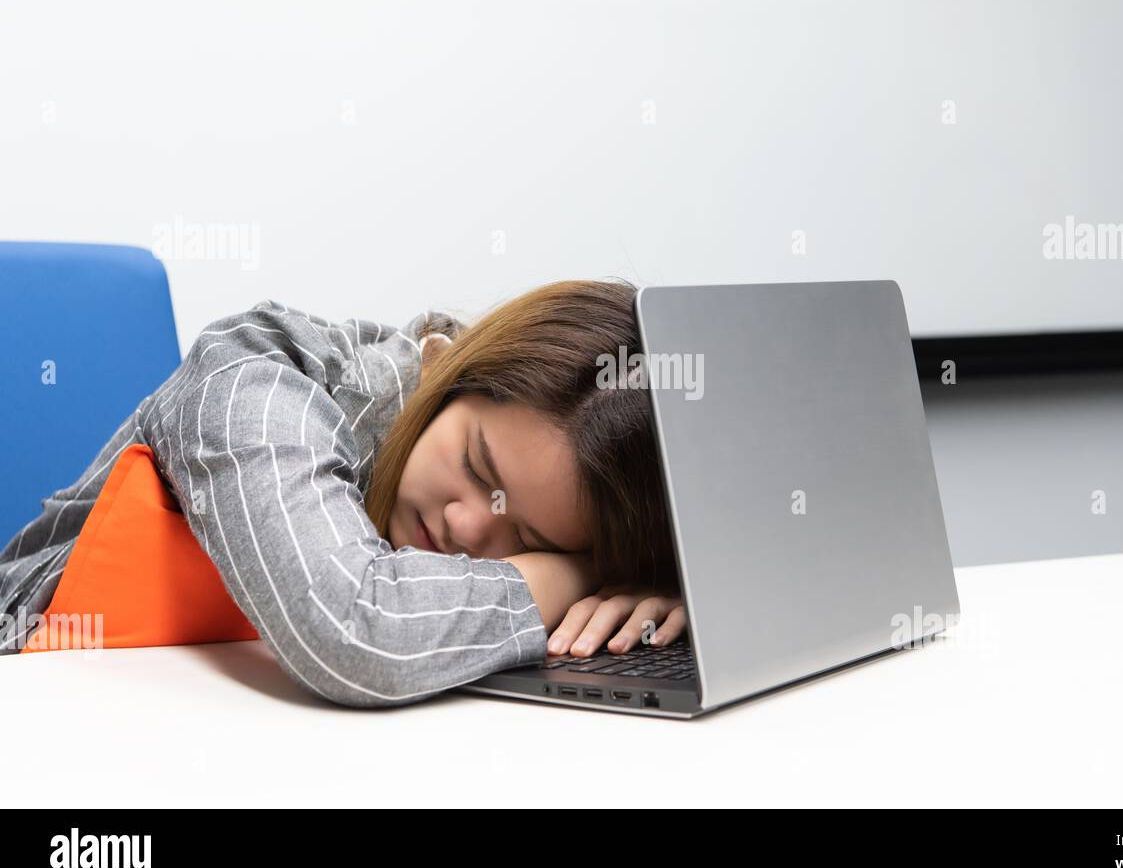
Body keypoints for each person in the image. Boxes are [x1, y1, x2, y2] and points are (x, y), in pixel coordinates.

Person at [0, 279, 686, 707]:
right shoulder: (252, 377)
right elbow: (352, 630)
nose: (468, 526)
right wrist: (576, 574)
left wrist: (648, 588)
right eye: (477, 468)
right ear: (444, 370)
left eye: (531, 539)